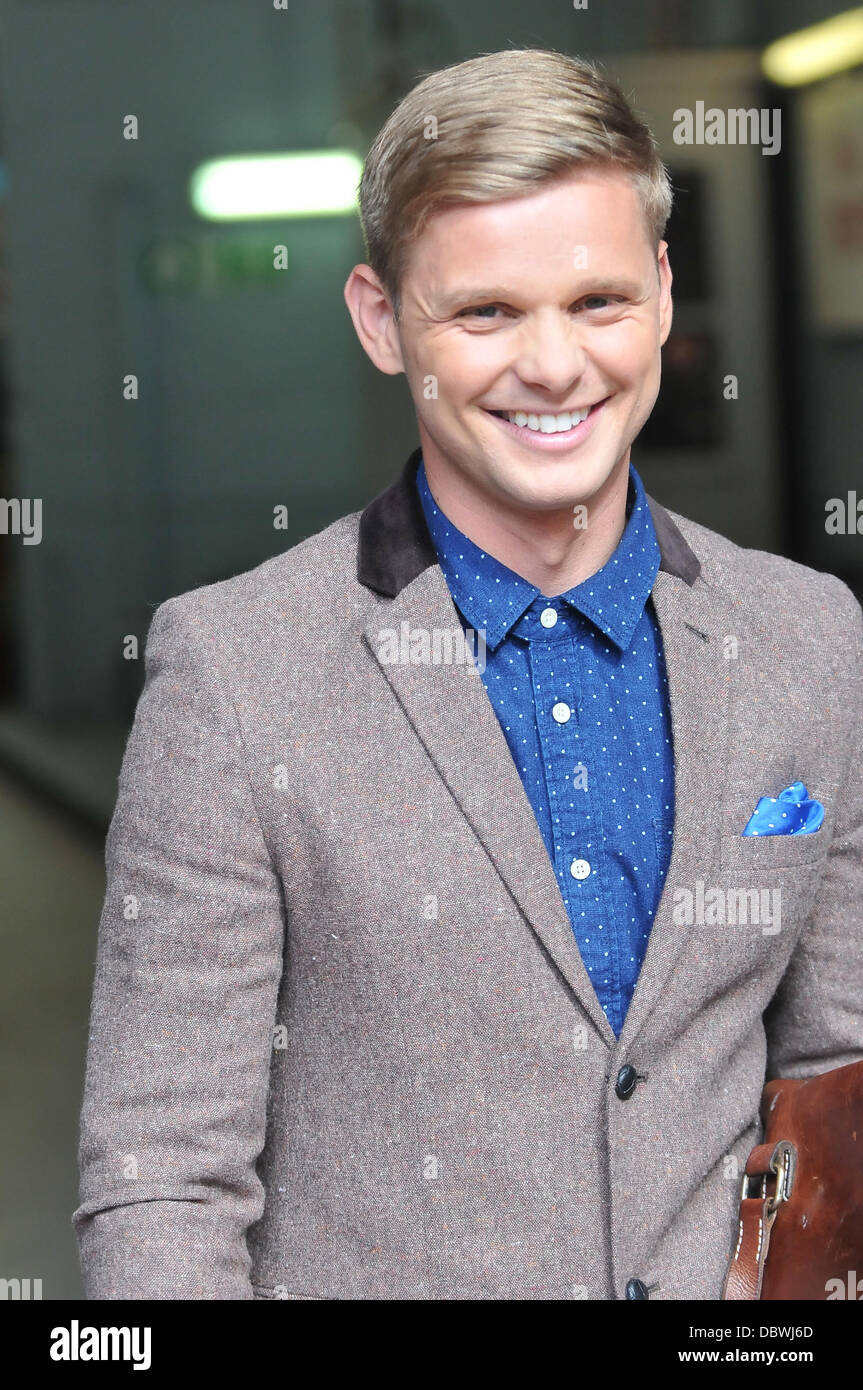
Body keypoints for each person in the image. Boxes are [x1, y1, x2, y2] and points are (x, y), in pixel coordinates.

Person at [74, 47, 863, 1301]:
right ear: (382, 322)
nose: (552, 368)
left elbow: (835, 1076)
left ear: (662, 292)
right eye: (484, 312)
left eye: (597, 301)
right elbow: (161, 1180)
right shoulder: (234, 674)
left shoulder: (808, 637)